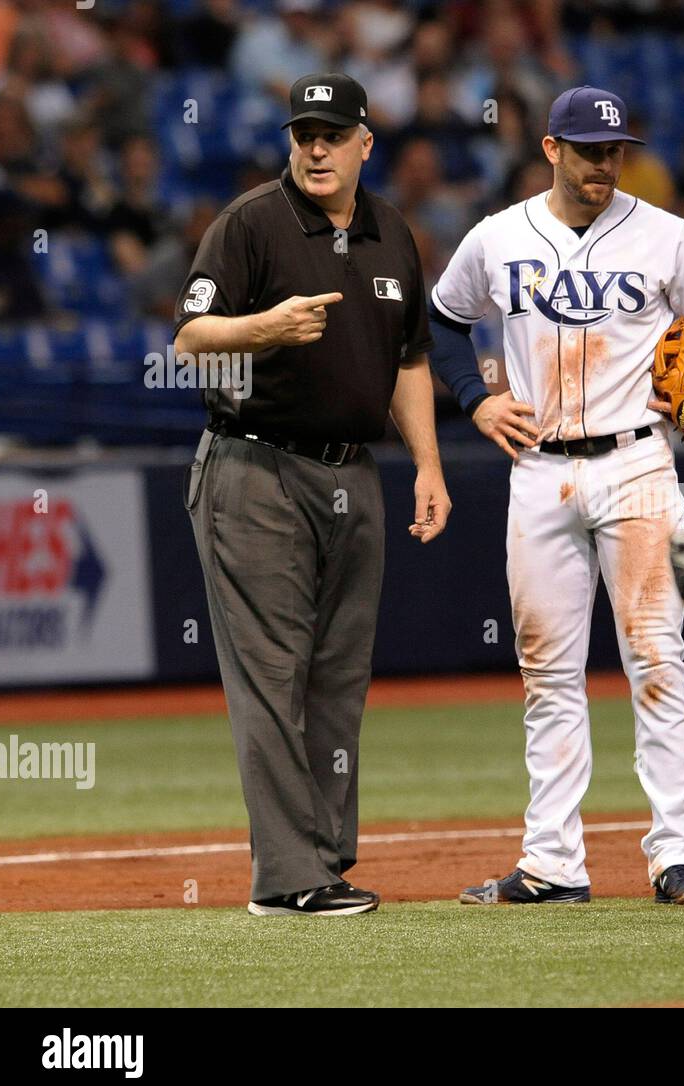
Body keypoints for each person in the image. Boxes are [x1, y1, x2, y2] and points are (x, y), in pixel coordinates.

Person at [428, 86, 684, 905]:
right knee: (546, 670)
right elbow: (439, 322)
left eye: (614, 150)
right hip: (539, 470)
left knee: (657, 658)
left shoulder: (667, 236)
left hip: (638, 466)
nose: (603, 164)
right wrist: (474, 396)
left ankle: (676, 854)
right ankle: (552, 865)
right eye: (587, 150)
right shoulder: (498, 237)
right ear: (551, 149)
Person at [174, 73, 450, 916]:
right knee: (271, 674)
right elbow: (189, 341)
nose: (317, 148)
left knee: (337, 678)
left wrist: (429, 464)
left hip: (353, 474)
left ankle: (324, 863)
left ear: (368, 143)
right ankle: (288, 878)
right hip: (254, 468)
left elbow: (408, 362)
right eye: (304, 135)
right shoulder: (251, 224)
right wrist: (264, 327)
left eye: (333, 134)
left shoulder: (392, 232)